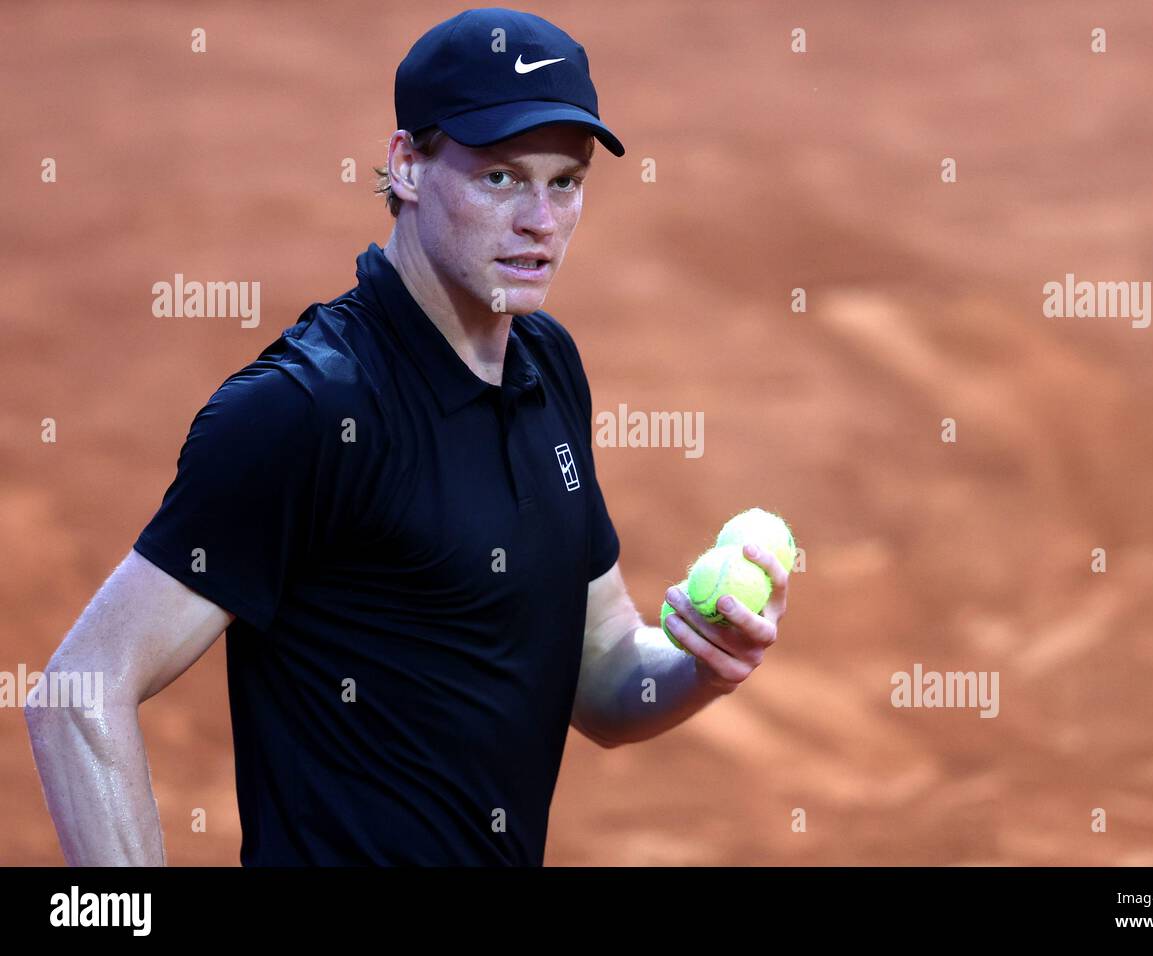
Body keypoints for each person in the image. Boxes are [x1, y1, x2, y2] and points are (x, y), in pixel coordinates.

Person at [25, 7, 790, 866]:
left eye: (565, 182)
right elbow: (78, 693)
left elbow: (604, 667)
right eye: (500, 178)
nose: (540, 220)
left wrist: (700, 666)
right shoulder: (306, 411)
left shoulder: (547, 366)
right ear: (407, 166)